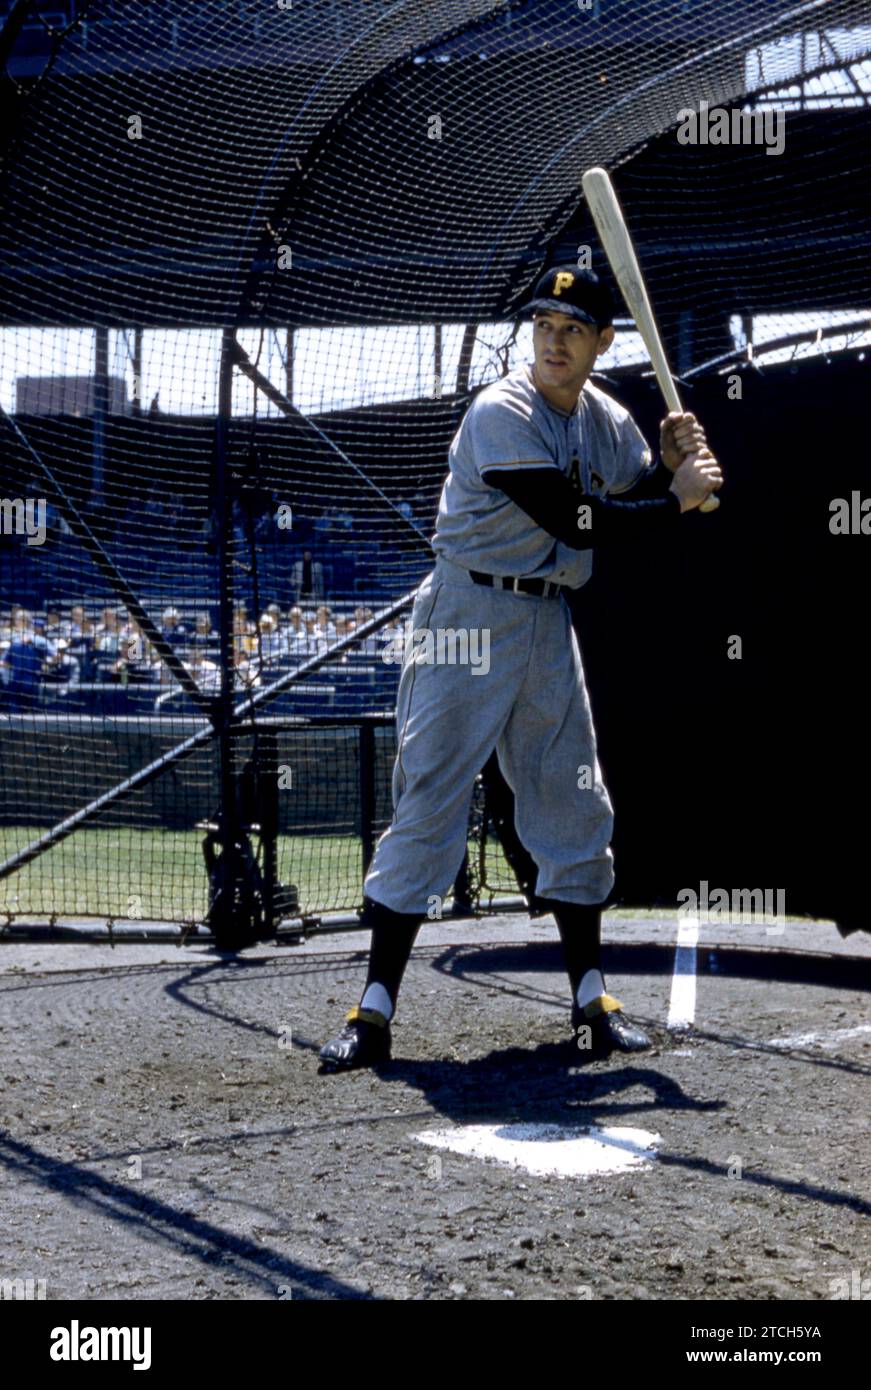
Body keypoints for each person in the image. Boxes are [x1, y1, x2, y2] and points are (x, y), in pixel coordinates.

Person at [319, 265, 722, 1072]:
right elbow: (577, 520)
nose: (552, 342)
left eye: (571, 329)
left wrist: (673, 464)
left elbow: (636, 492)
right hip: (464, 612)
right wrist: (675, 498)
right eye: (542, 325)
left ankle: (591, 1002)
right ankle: (372, 1011)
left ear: (602, 342)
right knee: (430, 798)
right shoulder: (500, 409)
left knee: (573, 801)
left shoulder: (603, 417)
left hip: (544, 617)